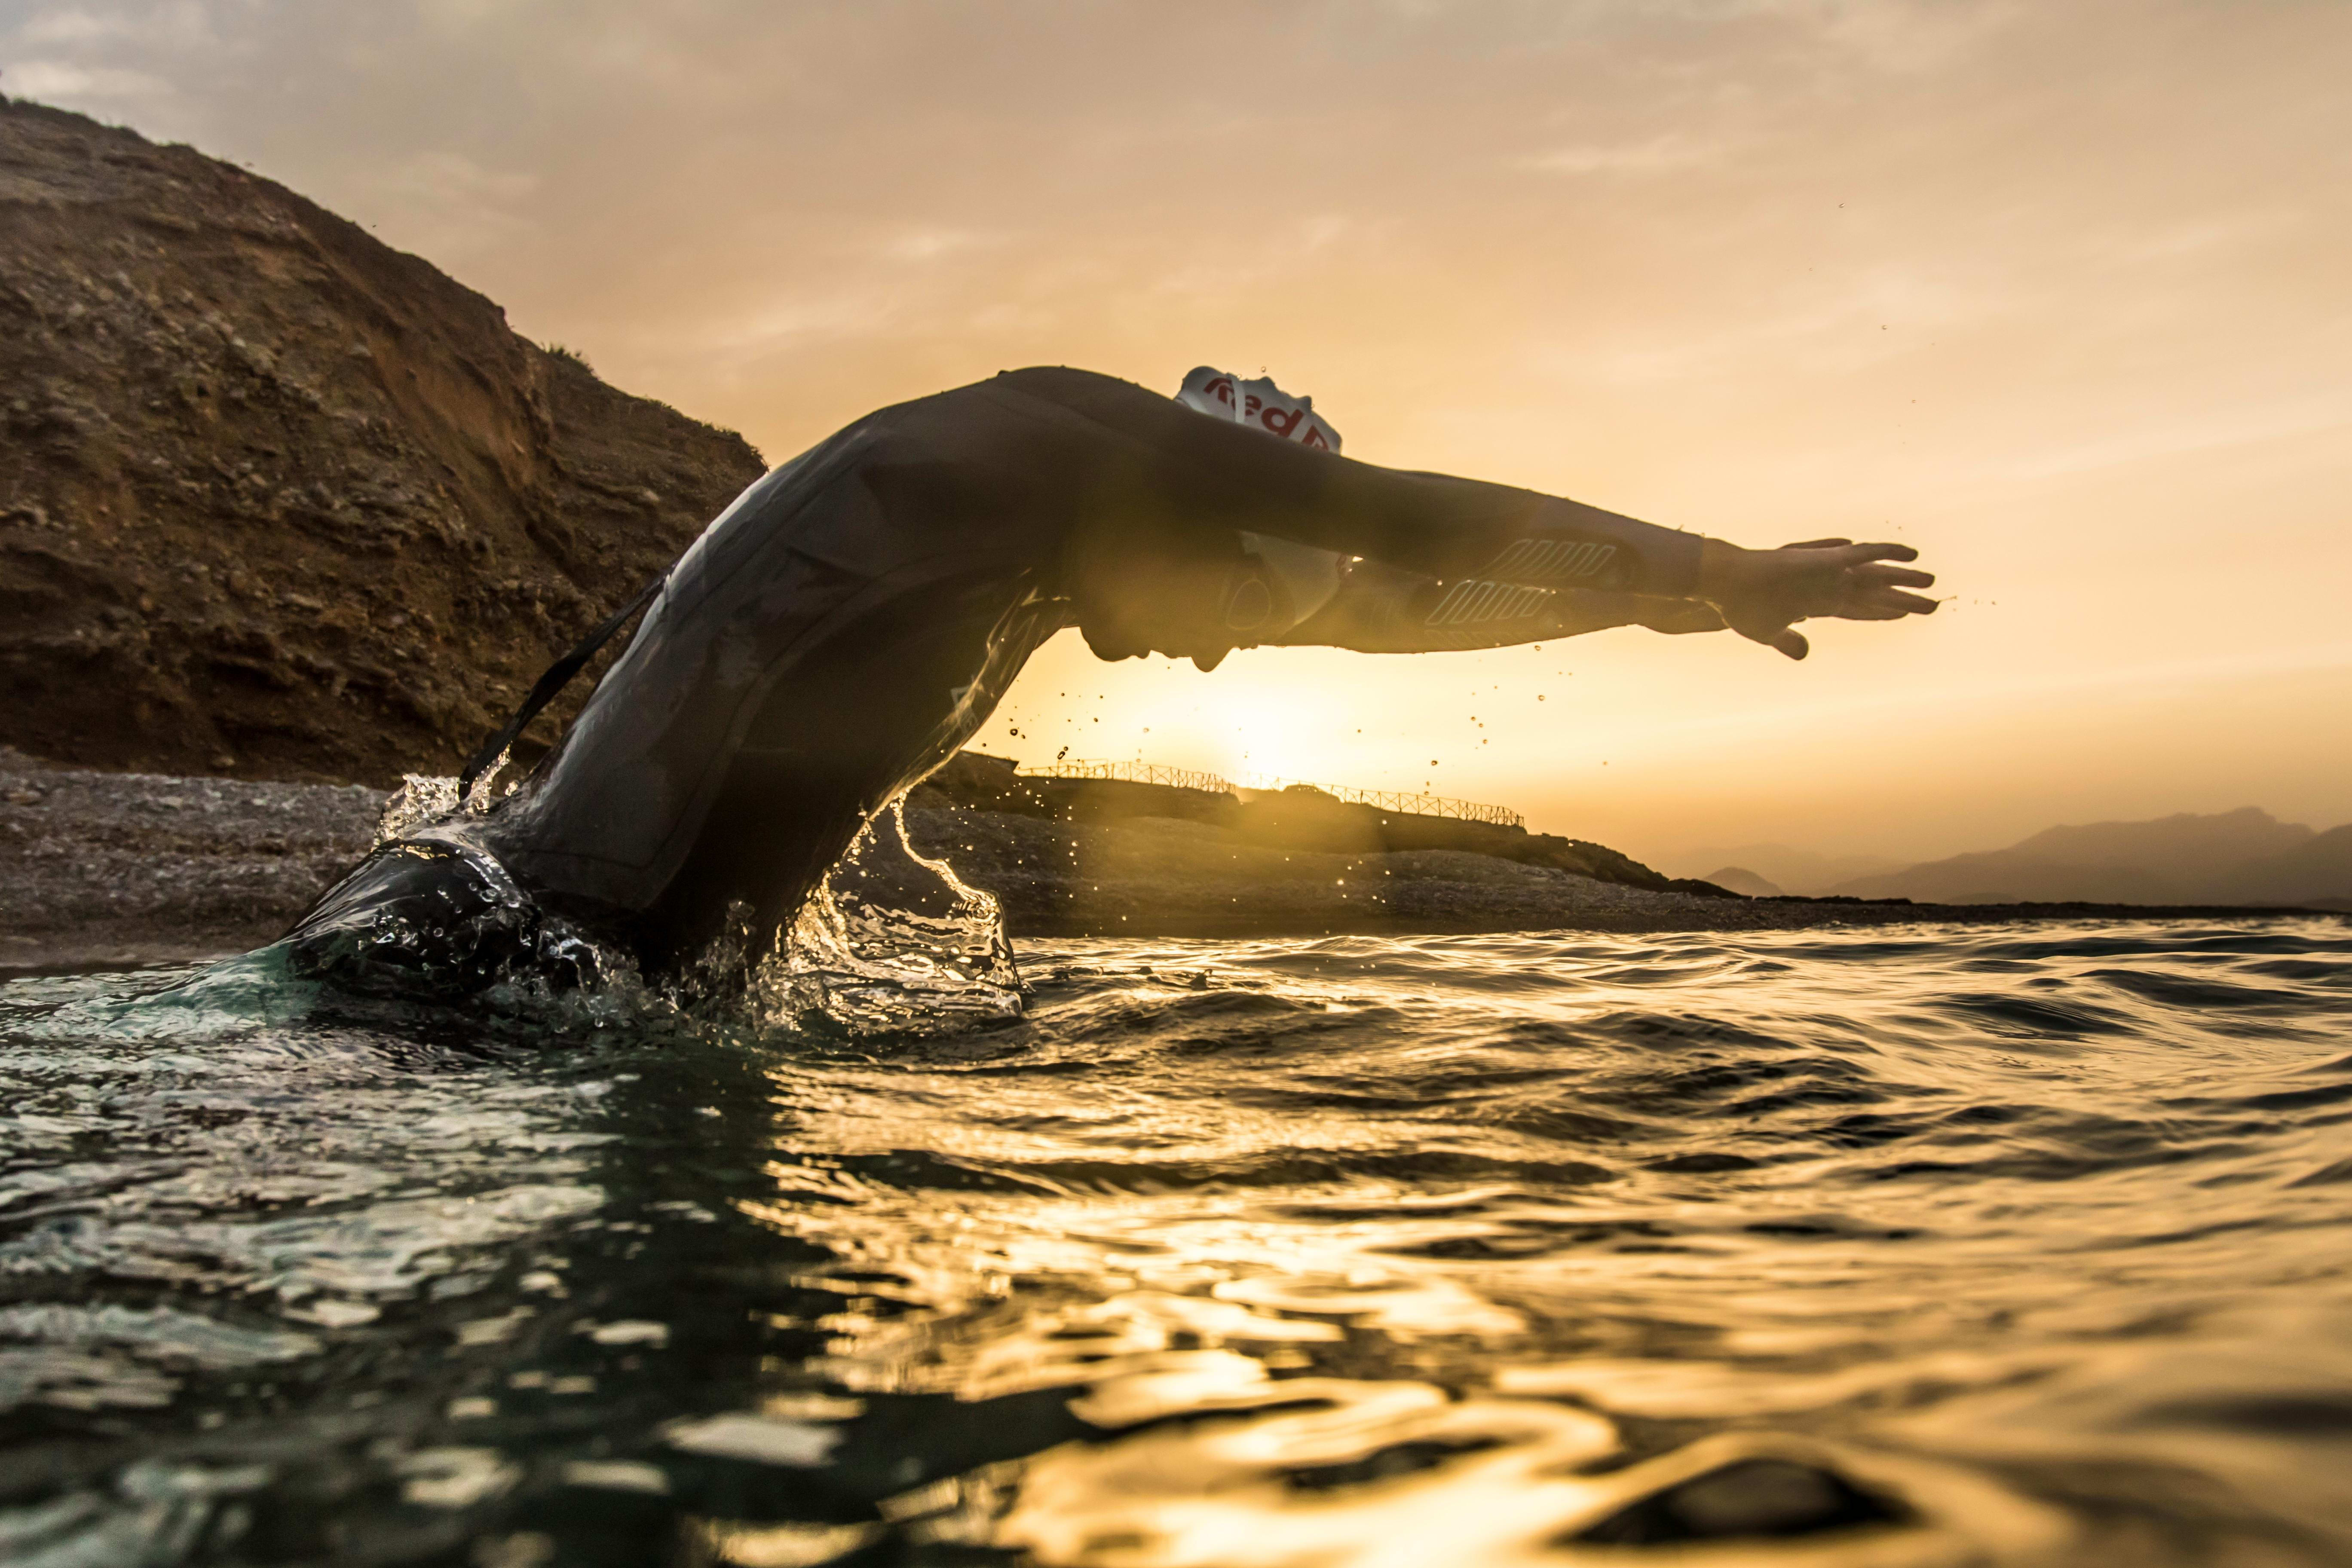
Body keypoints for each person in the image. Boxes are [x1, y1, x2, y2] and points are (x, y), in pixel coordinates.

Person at [285, 365, 1936, 998]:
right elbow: (1401, 520)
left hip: (607, 988)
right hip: (488, 963)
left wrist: (1663, 620)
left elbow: (1401, 607)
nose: (1220, 650)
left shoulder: (1045, 570)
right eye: (1232, 598)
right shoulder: (1026, 450)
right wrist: (1712, 561)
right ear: (1204, 508)